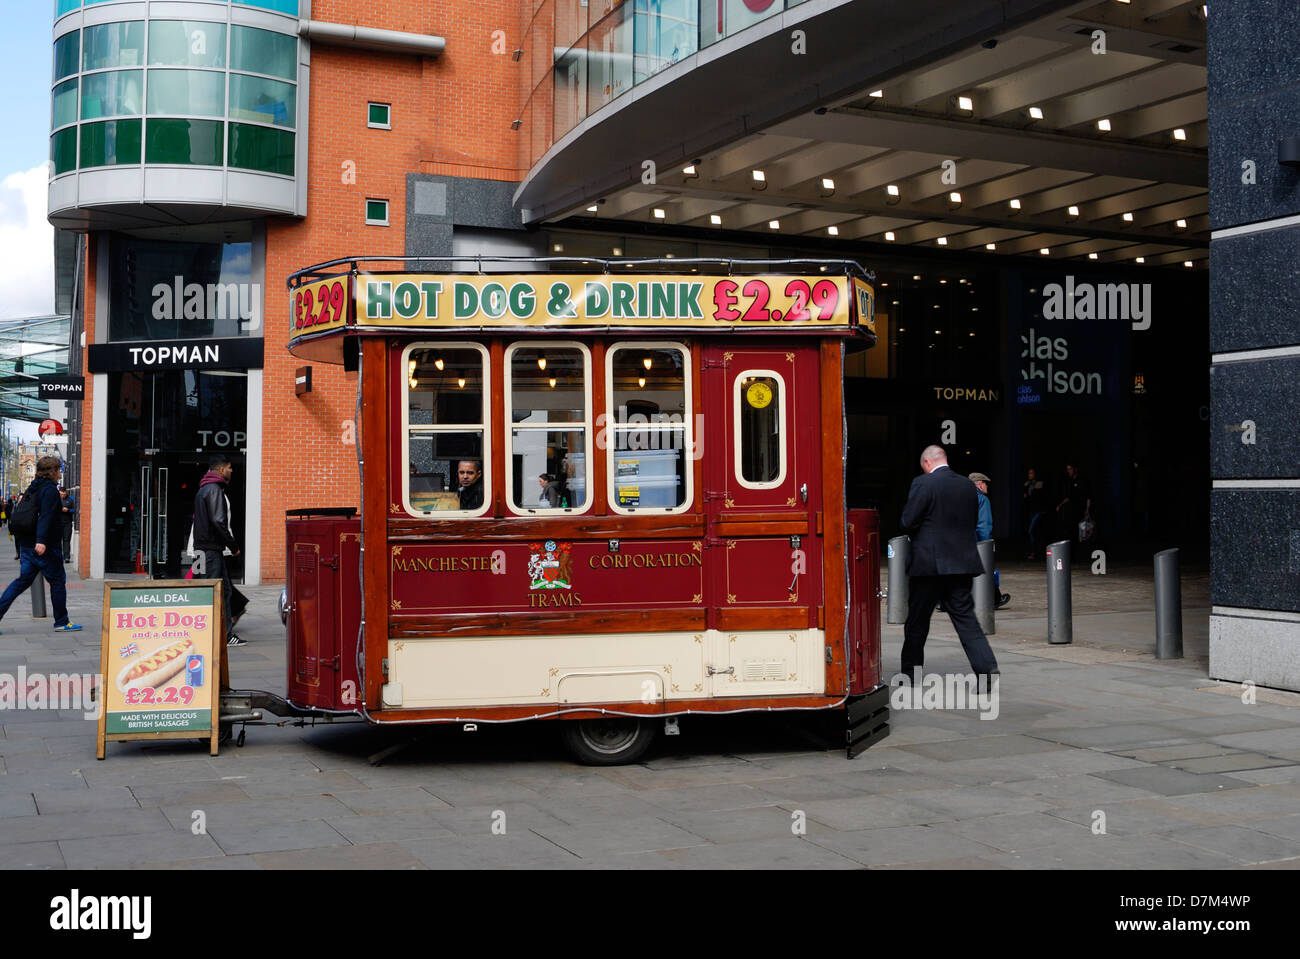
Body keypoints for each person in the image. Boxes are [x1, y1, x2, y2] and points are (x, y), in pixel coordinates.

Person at [898, 445, 999, 685]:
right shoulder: (967, 485)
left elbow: (907, 521)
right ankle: (986, 668)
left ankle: (912, 675)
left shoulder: (923, 483)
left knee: (917, 621)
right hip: (961, 563)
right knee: (966, 620)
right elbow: (972, 521)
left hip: (928, 566)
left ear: (926, 463)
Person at [0, 457, 83, 633]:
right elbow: (46, 516)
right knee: (58, 581)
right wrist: (42, 540)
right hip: (45, 546)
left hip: (26, 544)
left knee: (21, 582)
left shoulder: (33, 487)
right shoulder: (50, 490)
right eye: (59, 469)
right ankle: (61, 621)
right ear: (52, 471)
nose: (60, 473)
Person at [193, 454, 245, 647]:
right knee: (221, 592)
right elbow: (218, 521)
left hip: (201, 551)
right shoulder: (214, 490)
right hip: (210, 552)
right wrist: (233, 546)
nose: (232, 471)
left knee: (207, 590)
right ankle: (224, 635)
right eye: (230, 467)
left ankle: (207, 631)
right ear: (222, 469)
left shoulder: (203, 489)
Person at [969, 472, 1010, 609]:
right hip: (974, 540)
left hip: (957, 540)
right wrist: (986, 544)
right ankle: (994, 599)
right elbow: (983, 525)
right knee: (985, 568)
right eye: (986, 483)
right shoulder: (982, 499)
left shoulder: (958, 497)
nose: (987, 486)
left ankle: (944, 602)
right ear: (980, 484)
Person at [1056, 463, 1092, 550]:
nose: (1069, 471)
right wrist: (1060, 505)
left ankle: (1083, 551)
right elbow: (1069, 496)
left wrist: (1087, 509)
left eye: (1070, 469)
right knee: (1071, 531)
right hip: (1071, 510)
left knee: (1082, 531)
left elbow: (1088, 496)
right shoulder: (1069, 481)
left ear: (1075, 469)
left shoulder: (1082, 480)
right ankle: (1072, 553)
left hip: (1080, 508)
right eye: (1067, 469)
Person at [1023, 467, 1046, 560]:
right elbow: (1026, 497)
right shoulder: (1027, 484)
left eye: (1032, 473)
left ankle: (1035, 552)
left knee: (1032, 530)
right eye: (1029, 473)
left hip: (1038, 510)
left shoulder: (1040, 484)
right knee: (1035, 531)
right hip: (1031, 510)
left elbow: (1042, 496)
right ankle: (1035, 552)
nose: (1030, 475)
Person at [59, 486, 76, 562]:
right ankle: (59, 556)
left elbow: (75, 509)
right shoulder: (57, 499)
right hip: (58, 523)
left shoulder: (71, 499)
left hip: (67, 523)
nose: (62, 496)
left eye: (64, 494)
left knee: (66, 540)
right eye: (61, 494)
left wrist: (68, 510)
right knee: (58, 540)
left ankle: (67, 557)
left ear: (66, 493)